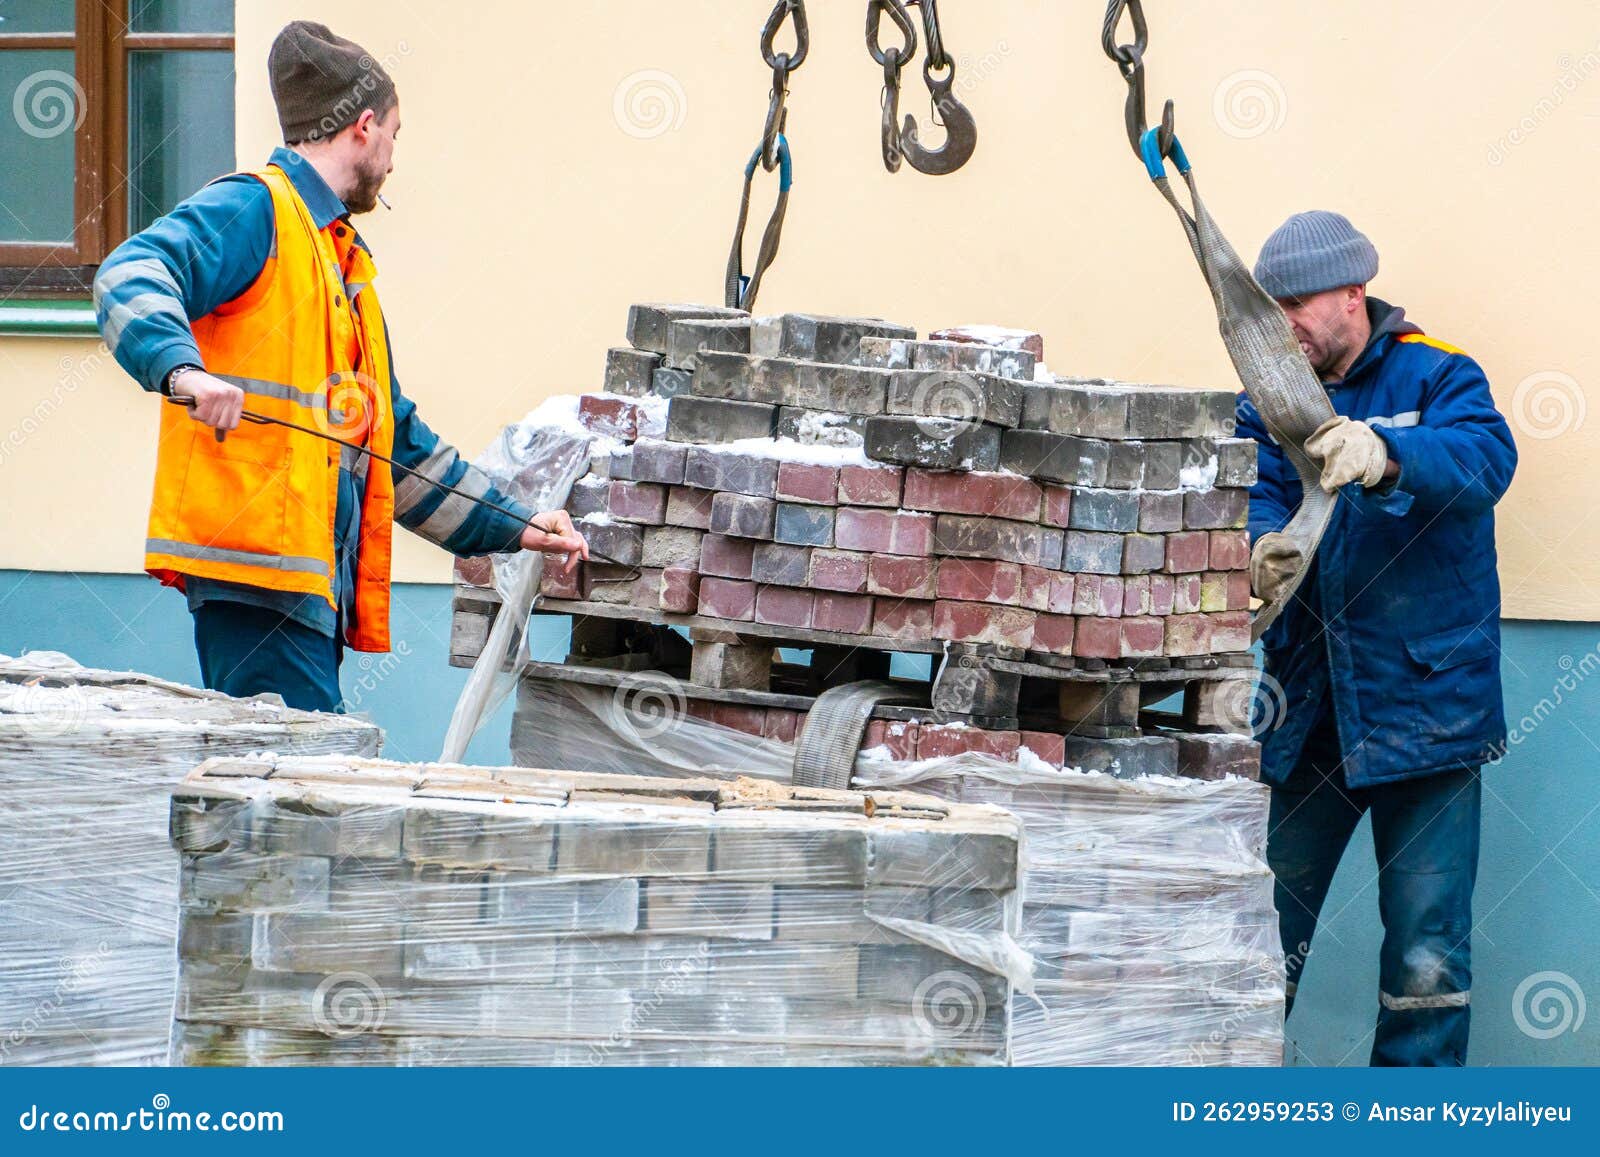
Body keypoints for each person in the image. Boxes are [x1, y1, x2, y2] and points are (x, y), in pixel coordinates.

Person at [93, 20, 586, 712]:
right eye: (395, 132)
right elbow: (130, 272)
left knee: (291, 787)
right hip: (256, 581)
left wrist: (519, 524)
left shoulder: (336, 262)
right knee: (294, 792)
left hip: (302, 589)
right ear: (362, 127)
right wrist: (185, 372)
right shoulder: (255, 209)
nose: (392, 155)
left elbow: (395, 446)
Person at [1237, 211, 1517, 1065]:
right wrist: (1254, 550)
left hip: (1428, 716)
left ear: (1354, 294)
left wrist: (1388, 456)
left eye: (1295, 302)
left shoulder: (1441, 375)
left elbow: (1484, 462)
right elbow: (1253, 484)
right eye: (1269, 305)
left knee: (1425, 961)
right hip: (1311, 712)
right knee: (1252, 942)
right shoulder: (1271, 398)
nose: (1281, 323)